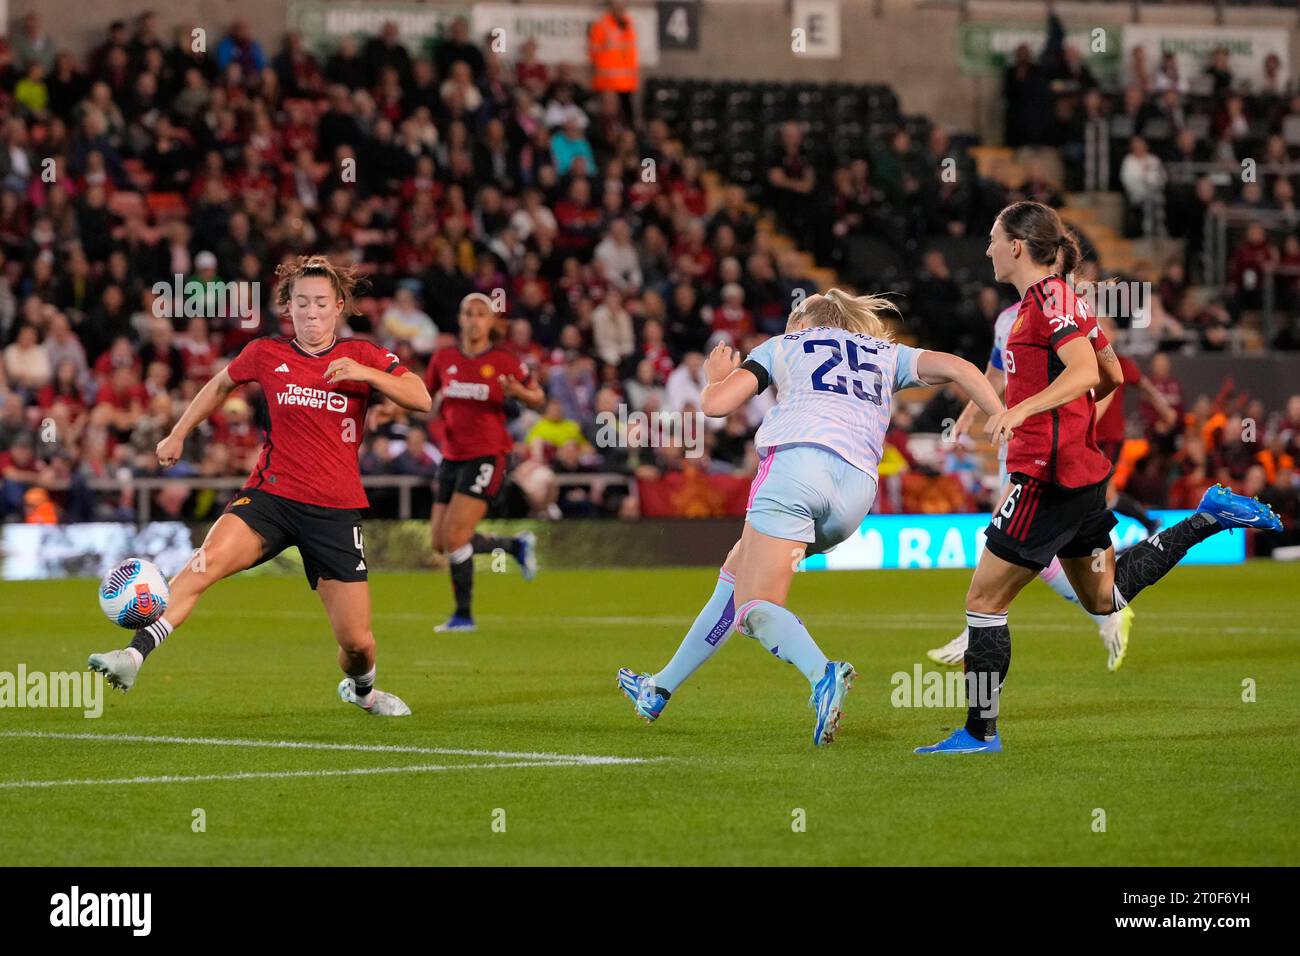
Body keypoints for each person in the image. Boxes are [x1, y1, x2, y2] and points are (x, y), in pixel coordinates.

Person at [915, 202, 1282, 755]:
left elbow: (1088, 372)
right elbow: (1108, 373)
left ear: (1017, 246)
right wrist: (1073, 418)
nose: (987, 248)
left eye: (993, 238)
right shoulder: (1064, 299)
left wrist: (1025, 412)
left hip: (1046, 476)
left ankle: (978, 732)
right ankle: (1208, 516)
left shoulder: (1045, 302)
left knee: (984, 604)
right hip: (1079, 471)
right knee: (1103, 596)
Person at [617, 289, 1005, 745]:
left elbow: (717, 406)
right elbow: (961, 367)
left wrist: (714, 377)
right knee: (739, 566)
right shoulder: (886, 353)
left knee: (753, 608)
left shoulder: (784, 345)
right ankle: (659, 687)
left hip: (796, 468)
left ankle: (823, 672)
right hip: (856, 494)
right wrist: (998, 413)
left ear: (804, 320)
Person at [89, 256, 433, 716]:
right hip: (269, 497)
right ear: (288, 307)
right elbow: (218, 386)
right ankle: (132, 655)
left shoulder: (365, 355)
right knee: (203, 565)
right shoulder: (267, 353)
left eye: (321, 304)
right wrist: (178, 432)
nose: (311, 313)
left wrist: (365, 375)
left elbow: (422, 398)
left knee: (357, 643)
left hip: (333, 510)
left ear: (339, 307)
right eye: (302, 303)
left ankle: (363, 691)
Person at [927, 298, 1136, 672]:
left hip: (1047, 450)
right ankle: (989, 618)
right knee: (1013, 542)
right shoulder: (1008, 319)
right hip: (1017, 444)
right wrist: (966, 416)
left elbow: (1099, 379)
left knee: (1006, 538)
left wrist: (1080, 428)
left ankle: (981, 622)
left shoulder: (1062, 310)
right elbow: (992, 377)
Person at [425, 293, 546, 633]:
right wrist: (392, 409)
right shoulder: (444, 358)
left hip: (487, 455)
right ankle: (514, 545)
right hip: (451, 457)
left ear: (491, 322)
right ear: (460, 319)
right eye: (468, 313)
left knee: (455, 535)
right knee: (440, 541)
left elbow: (538, 398)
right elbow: (423, 394)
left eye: (481, 313)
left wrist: (519, 393)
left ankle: (463, 616)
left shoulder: (505, 360)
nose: (474, 319)